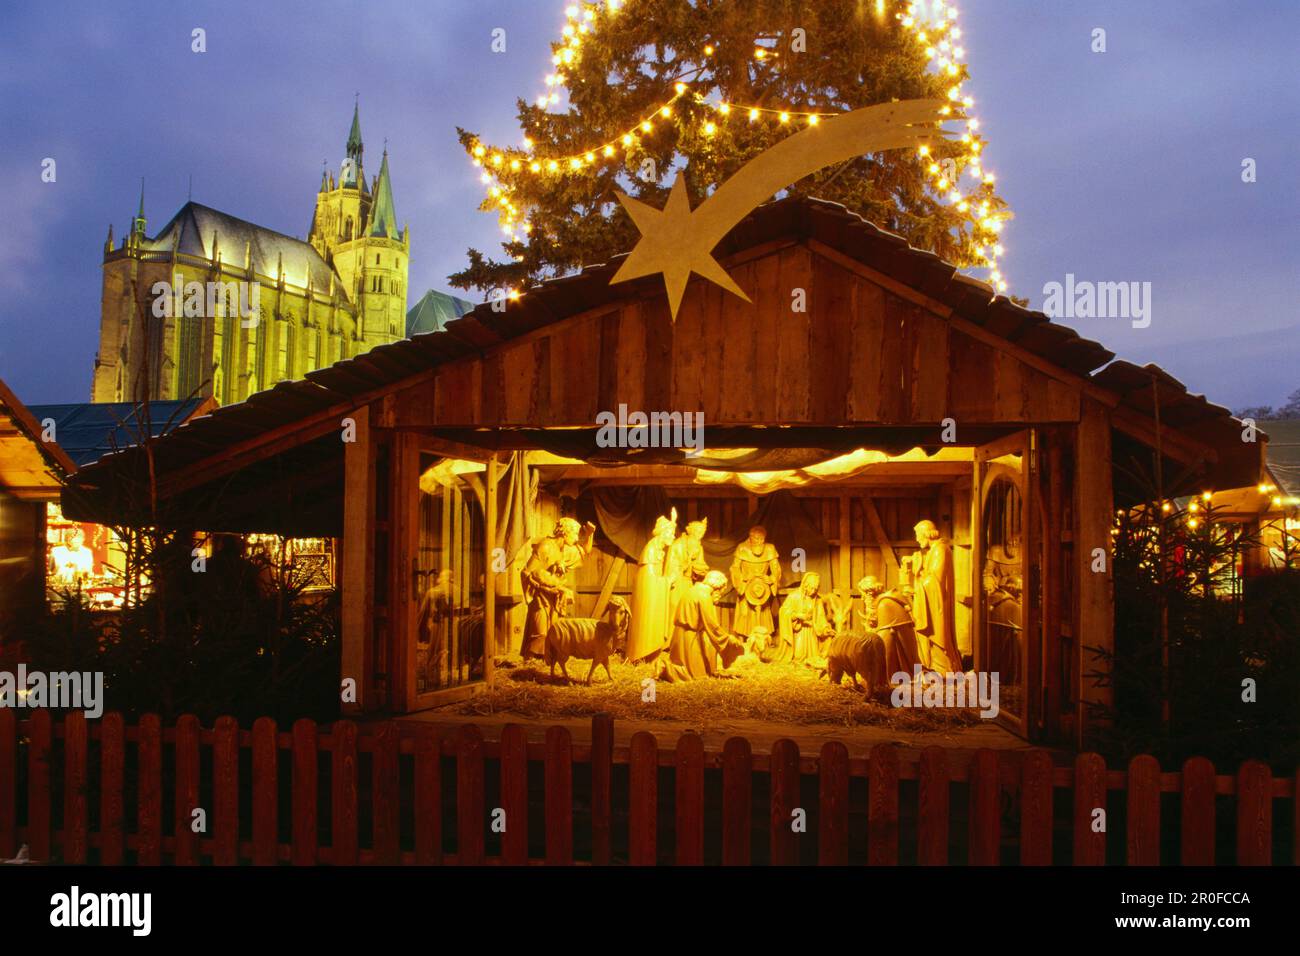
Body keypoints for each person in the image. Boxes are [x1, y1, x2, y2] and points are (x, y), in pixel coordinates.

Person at [520, 518, 594, 659]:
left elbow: (585, 552)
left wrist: (590, 534)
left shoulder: (564, 550)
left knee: (553, 631)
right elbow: (527, 572)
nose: (577, 538)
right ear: (565, 533)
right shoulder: (546, 546)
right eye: (575, 534)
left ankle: (548, 662)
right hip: (540, 597)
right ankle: (531, 663)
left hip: (554, 597)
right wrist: (547, 584)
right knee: (539, 631)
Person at [659, 571, 745, 683]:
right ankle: (663, 668)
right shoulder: (704, 596)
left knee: (697, 672)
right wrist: (728, 639)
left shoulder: (694, 590)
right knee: (693, 675)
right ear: (718, 586)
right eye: (721, 589)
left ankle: (667, 669)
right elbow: (712, 624)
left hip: (683, 634)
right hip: (689, 636)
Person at [906, 519, 963, 673]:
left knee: (938, 634)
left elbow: (935, 580)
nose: (917, 539)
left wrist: (917, 574)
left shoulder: (940, 550)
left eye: (918, 535)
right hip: (932, 601)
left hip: (937, 603)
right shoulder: (933, 551)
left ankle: (943, 669)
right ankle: (933, 667)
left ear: (927, 534)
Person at [625, 510, 679, 663]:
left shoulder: (658, 549)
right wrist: (667, 581)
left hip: (655, 594)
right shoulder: (651, 549)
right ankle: (642, 654)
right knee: (647, 624)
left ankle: (652, 654)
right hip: (649, 597)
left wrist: (673, 520)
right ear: (663, 533)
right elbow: (648, 580)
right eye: (671, 533)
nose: (673, 536)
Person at [770, 571, 835, 666]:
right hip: (798, 632)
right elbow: (783, 612)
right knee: (798, 656)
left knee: (815, 656)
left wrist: (826, 629)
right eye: (812, 588)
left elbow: (821, 619)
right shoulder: (794, 597)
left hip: (812, 632)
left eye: (816, 589)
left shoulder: (817, 600)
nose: (813, 591)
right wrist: (797, 615)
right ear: (805, 586)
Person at [729, 525, 781, 638]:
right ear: (750, 538)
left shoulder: (769, 549)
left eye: (761, 539)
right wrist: (743, 578)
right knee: (745, 612)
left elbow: (776, 568)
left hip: (763, 587)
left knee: (763, 611)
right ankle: (744, 636)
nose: (759, 541)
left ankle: (763, 636)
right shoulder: (742, 548)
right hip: (746, 585)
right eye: (756, 538)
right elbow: (735, 568)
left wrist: (771, 578)